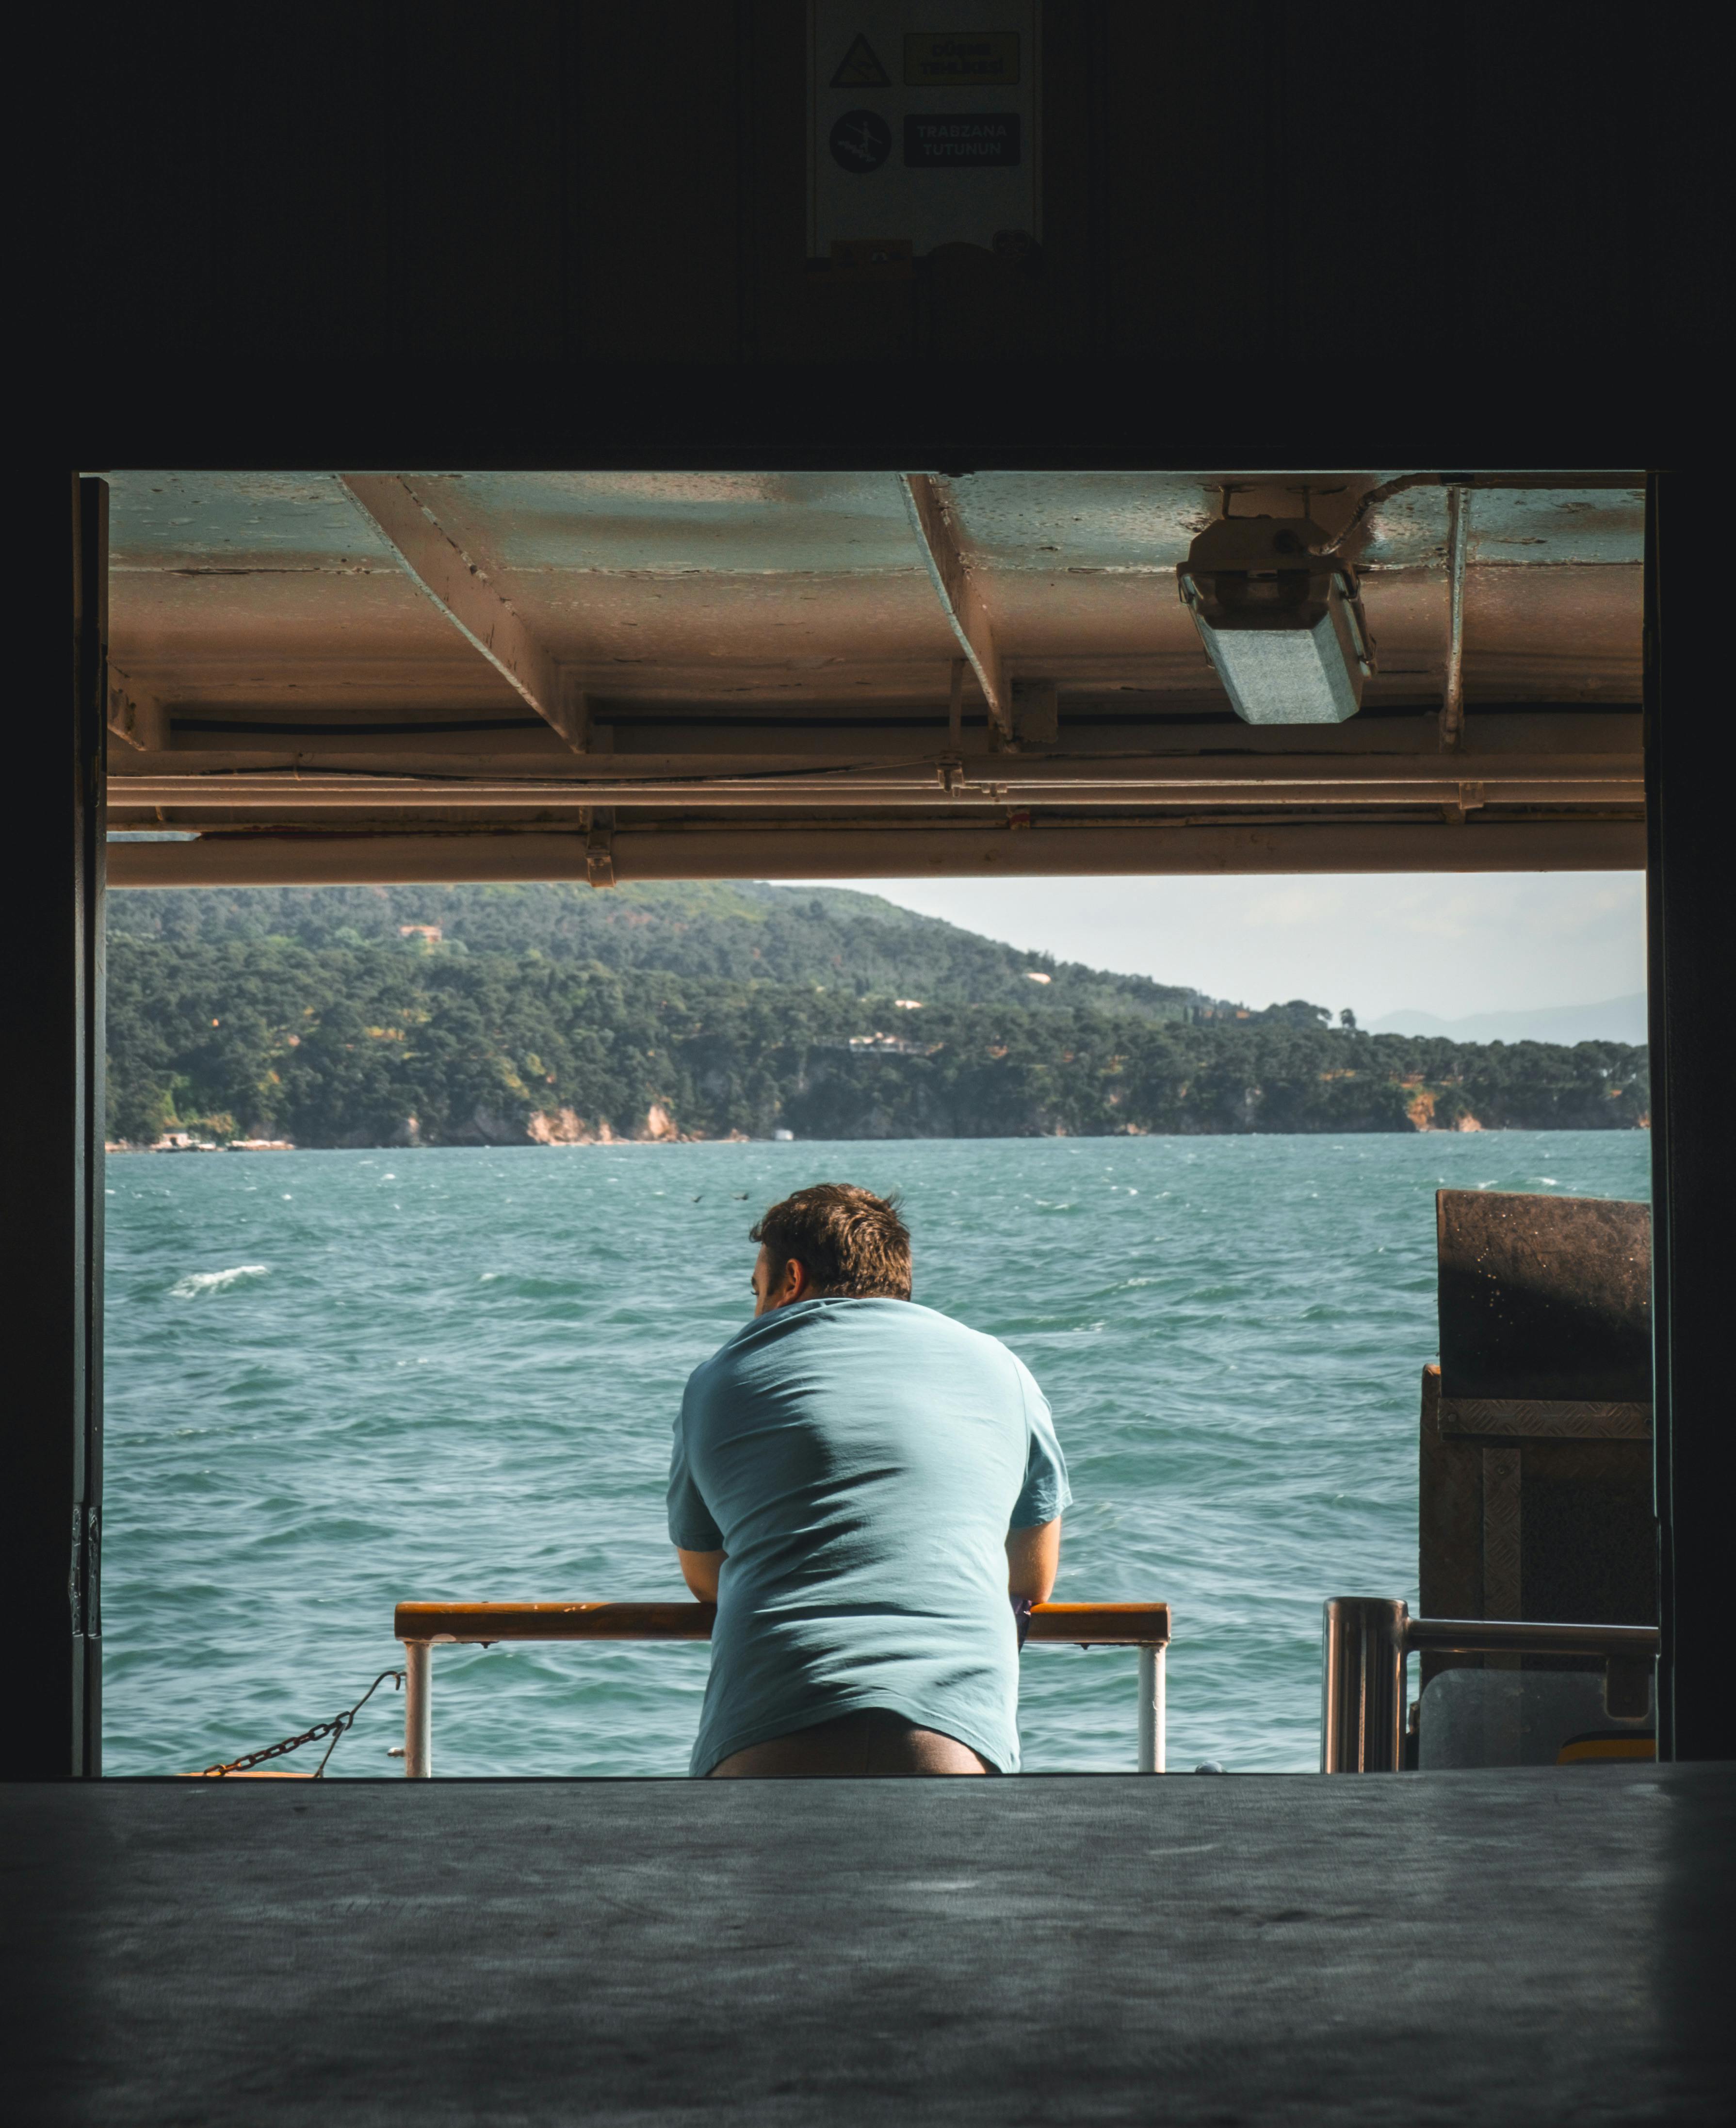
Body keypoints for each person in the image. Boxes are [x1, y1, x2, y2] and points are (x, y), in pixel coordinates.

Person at [666, 1182, 1070, 1777]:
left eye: (757, 1291)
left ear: (792, 1279)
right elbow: (1032, 1577)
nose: (754, 1313)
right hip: (952, 1737)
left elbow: (706, 1578)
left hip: (764, 1730)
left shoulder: (717, 1380)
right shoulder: (1003, 1368)